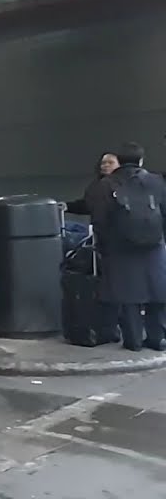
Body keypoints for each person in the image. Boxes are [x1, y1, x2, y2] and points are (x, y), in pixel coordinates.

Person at [88, 142, 166, 351]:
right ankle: (157, 338)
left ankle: (134, 342)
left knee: (129, 295)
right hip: (154, 245)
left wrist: (104, 245)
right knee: (157, 292)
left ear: (119, 161)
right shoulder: (155, 180)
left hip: (120, 248)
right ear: (141, 160)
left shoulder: (106, 185)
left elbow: (100, 219)